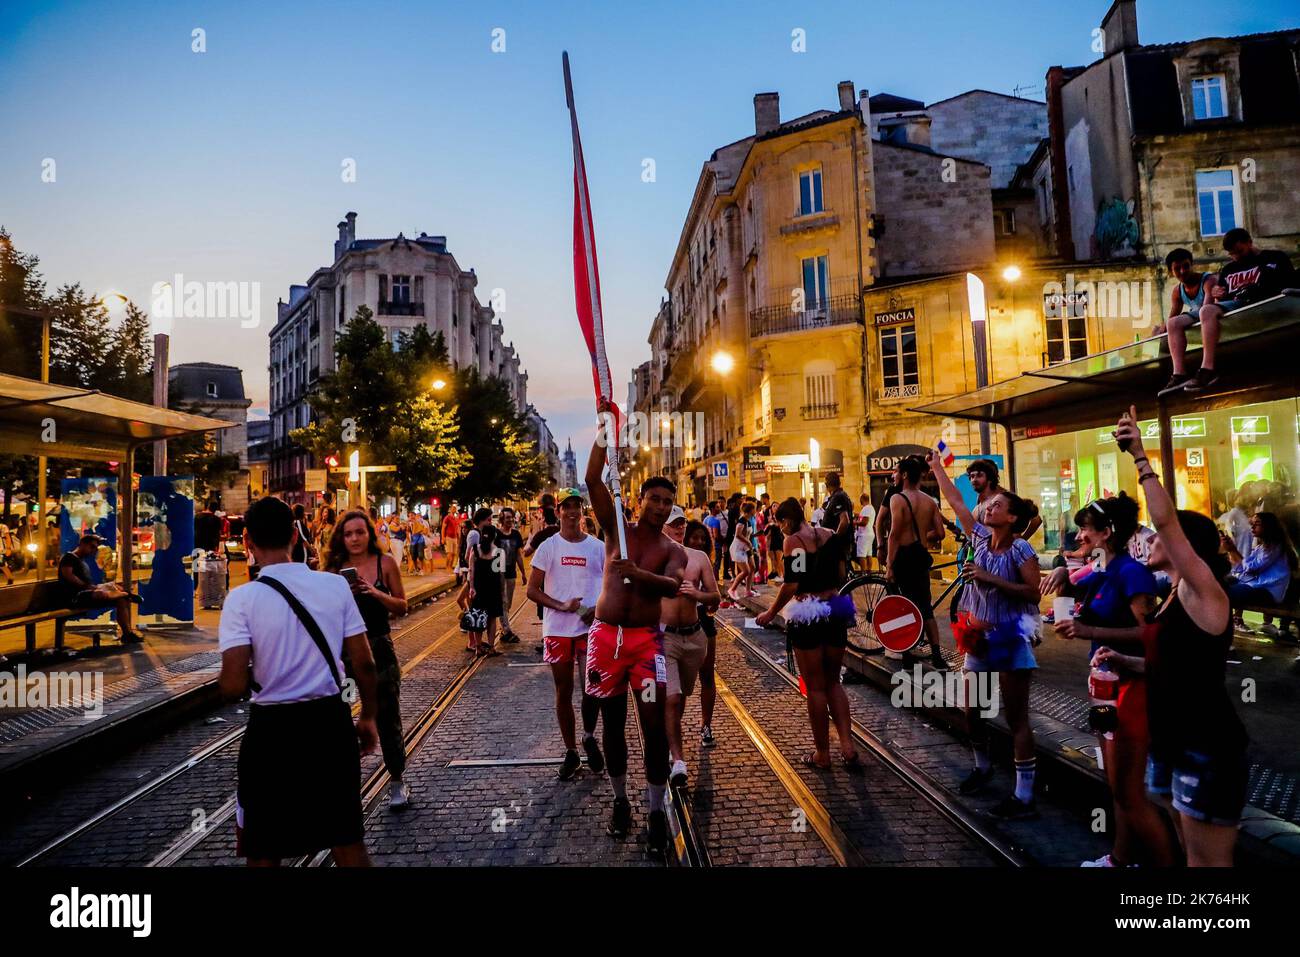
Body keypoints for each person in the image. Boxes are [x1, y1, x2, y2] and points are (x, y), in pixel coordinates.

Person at [1107, 406, 1248, 865]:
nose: (1147, 540)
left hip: (1206, 745)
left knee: (1208, 866)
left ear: (1186, 548)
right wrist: (1123, 660)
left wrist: (1141, 460)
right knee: (1191, 857)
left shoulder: (1203, 591)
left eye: (1157, 536)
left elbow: (1167, 523)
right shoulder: (1172, 596)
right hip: (1174, 741)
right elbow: (1176, 664)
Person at [217, 496, 379, 866]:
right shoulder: (335, 587)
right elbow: (365, 663)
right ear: (295, 535)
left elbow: (231, 686)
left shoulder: (241, 600)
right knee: (346, 839)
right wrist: (368, 715)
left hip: (271, 734)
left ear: (247, 542)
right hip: (328, 725)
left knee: (263, 847)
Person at [1041, 494, 1171, 868]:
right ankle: (1120, 858)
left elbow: (1149, 634)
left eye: (1085, 529)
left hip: (1131, 686)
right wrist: (1065, 576)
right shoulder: (1103, 567)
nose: (1079, 536)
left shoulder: (1132, 573)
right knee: (1117, 784)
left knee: (1130, 790)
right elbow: (1074, 591)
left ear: (1107, 532)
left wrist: (1088, 629)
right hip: (1104, 684)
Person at [584, 414, 686, 857]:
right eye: (655, 499)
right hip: (606, 639)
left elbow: (673, 585)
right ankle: (621, 799)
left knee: (654, 728)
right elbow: (591, 479)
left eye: (668, 502)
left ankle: (657, 810)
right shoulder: (615, 530)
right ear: (641, 498)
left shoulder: (671, 549)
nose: (661, 507)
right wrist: (605, 432)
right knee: (611, 723)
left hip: (646, 642)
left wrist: (637, 573)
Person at [930, 451, 1043, 820]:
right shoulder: (978, 537)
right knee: (973, 712)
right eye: (990, 504)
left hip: (1010, 640)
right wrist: (936, 468)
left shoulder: (1022, 549)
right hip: (978, 639)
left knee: (1016, 719)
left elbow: (1033, 593)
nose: (988, 507)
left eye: (997, 505)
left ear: (1011, 517)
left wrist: (991, 578)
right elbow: (957, 501)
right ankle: (982, 767)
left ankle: (1024, 795)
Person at [755, 498, 860, 770]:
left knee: (814, 687)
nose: (780, 527)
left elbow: (793, 584)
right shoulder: (827, 534)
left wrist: (770, 612)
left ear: (787, 520)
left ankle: (822, 754)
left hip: (808, 614)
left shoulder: (793, 541)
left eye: (780, 522)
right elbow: (839, 574)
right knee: (833, 682)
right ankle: (847, 747)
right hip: (835, 609)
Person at [324, 510, 411, 809]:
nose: (354, 539)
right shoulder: (334, 570)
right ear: (341, 538)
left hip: (379, 652)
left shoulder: (384, 563)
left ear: (369, 534)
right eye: (348, 534)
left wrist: (373, 593)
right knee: (342, 716)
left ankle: (397, 779)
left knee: (387, 716)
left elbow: (402, 606)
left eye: (360, 532)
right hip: (345, 658)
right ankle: (346, 783)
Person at [527, 488, 607, 780]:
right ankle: (572, 751)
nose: (572, 512)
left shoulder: (597, 547)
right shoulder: (548, 547)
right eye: (567, 507)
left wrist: (595, 609)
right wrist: (561, 605)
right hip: (558, 630)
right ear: (558, 511)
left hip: (591, 628)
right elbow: (532, 590)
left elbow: (612, 585)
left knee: (591, 689)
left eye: (577, 506)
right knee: (563, 691)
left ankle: (588, 735)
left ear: (582, 511)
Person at [1163, 229, 1297, 395]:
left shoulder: (1274, 258)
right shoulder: (1229, 269)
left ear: (1249, 242)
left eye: (1240, 251)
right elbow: (1224, 296)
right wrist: (1218, 293)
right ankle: (1179, 373)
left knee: (1206, 310)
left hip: (1264, 304)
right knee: (1174, 322)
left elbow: (1290, 284)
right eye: (1232, 254)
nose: (1237, 257)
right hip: (1238, 305)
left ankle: (1208, 368)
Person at [661, 510, 722, 788]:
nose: (679, 529)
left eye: (682, 524)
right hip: (666, 638)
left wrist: (697, 594)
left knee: (683, 694)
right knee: (671, 697)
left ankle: (671, 738)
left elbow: (715, 596)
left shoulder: (698, 557)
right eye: (674, 525)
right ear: (663, 527)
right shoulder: (654, 557)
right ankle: (678, 760)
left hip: (695, 637)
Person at [886, 456, 947, 670]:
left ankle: (908, 654)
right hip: (921, 556)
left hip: (903, 556)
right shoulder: (930, 501)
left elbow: (894, 534)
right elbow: (940, 533)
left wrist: (889, 564)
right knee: (925, 606)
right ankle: (937, 655)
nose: (893, 475)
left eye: (895, 471)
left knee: (904, 606)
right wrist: (921, 535)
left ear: (903, 475)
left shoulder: (897, 499)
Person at [57, 534, 144, 644]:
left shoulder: (81, 561)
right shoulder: (69, 558)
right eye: (91, 547)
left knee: (117, 595)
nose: (93, 550)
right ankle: (125, 594)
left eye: (95, 548)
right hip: (74, 597)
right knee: (100, 594)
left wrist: (93, 587)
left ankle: (127, 634)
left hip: (86, 593)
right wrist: (86, 586)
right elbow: (68, 575)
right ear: (82, 544)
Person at [1155, 248, 1219, 395]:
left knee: (1181, 321)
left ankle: (1193, 371)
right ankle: (1178, 373)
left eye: (1185, 266)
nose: (1182, 271)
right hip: (1198, 317)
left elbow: (1207, 307)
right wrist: (1158, 331)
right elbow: (1171, 318)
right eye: (1177, 269)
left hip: (1210, 315)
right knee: (1172, 324)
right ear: (1171, 272)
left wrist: (1175, 322)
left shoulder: (1208, 280)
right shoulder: (1178, 291)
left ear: (1192, 265)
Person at [1222, 512, 1297, 631]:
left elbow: (1251, 567)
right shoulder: (1260, 548)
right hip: (1255, 586)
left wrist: (1233, 550)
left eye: (1257, 524)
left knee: (1224, 594)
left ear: (1269, 527)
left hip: (1267, 592)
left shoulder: (1275, 547)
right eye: (1252, 523)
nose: (1252, 527)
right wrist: (1232, 551)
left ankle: (1223, 630)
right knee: (1222, 583)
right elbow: (1243, 570)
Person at [464, 524, 505, 658]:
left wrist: (471, 588)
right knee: (492, 619)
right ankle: (492, 647)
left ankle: (478, 647)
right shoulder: (498, 552)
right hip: (493, 589)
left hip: (479, 589)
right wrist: (502, 592)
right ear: (495, 536)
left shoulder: (475, 550)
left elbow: (471, 571)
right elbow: (500, 574)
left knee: (478, 618)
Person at [496, 508, 527, 644]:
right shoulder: (497, 534)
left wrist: (523, 573)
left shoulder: (516, 535)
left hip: (511, 572)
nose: (509, 520)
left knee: (508, 602)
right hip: (499, 572)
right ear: (502, 519)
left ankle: (504, 626)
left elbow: (518, 555)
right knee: (502, 601)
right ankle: (506, 630)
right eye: (507, 517)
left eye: (511, 517)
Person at [725, 501, 756, 603]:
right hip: (738, 548)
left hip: (746, 548)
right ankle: (732, 589)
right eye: (753, 510)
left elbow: (748, 534)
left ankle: (748, 590)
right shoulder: (741, 521)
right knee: (745, 571)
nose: (754, 512)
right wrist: (748, 542)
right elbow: (738, 535)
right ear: (749, 511)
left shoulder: (748, 520)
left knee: (752, 567)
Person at [703, 500, 725, 581]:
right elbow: (716, 536)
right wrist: (723, 539)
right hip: (716, 546)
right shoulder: (715, 521)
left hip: (708, 545)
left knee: (710, 564)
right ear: (712, 509)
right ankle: (715, 583)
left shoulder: (706, 519)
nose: (719, 509)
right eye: (717, 507)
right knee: (716, 565)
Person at [854, 493, 876, 573]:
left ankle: (863, 573)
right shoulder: (870, 508)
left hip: (864, 535)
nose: (859, 501)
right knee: (869, 554)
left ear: (862, 499)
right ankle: (869, 572)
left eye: (860, 499)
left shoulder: (866, 508)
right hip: (869, 534)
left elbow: (864, 522)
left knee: (861, 555)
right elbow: (862, 517)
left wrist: (854, 523)